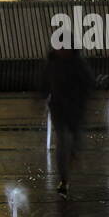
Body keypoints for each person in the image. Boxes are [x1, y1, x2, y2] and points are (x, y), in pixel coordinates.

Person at [44, 46, 95, 196]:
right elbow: (44, 82)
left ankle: (73, 154)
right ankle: (63, 180)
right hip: (58, 108)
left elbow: (88, 83)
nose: (62, 50)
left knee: (74, 139)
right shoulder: (52, 62)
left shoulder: (78, 63)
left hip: (75, 109)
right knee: (62, 140)